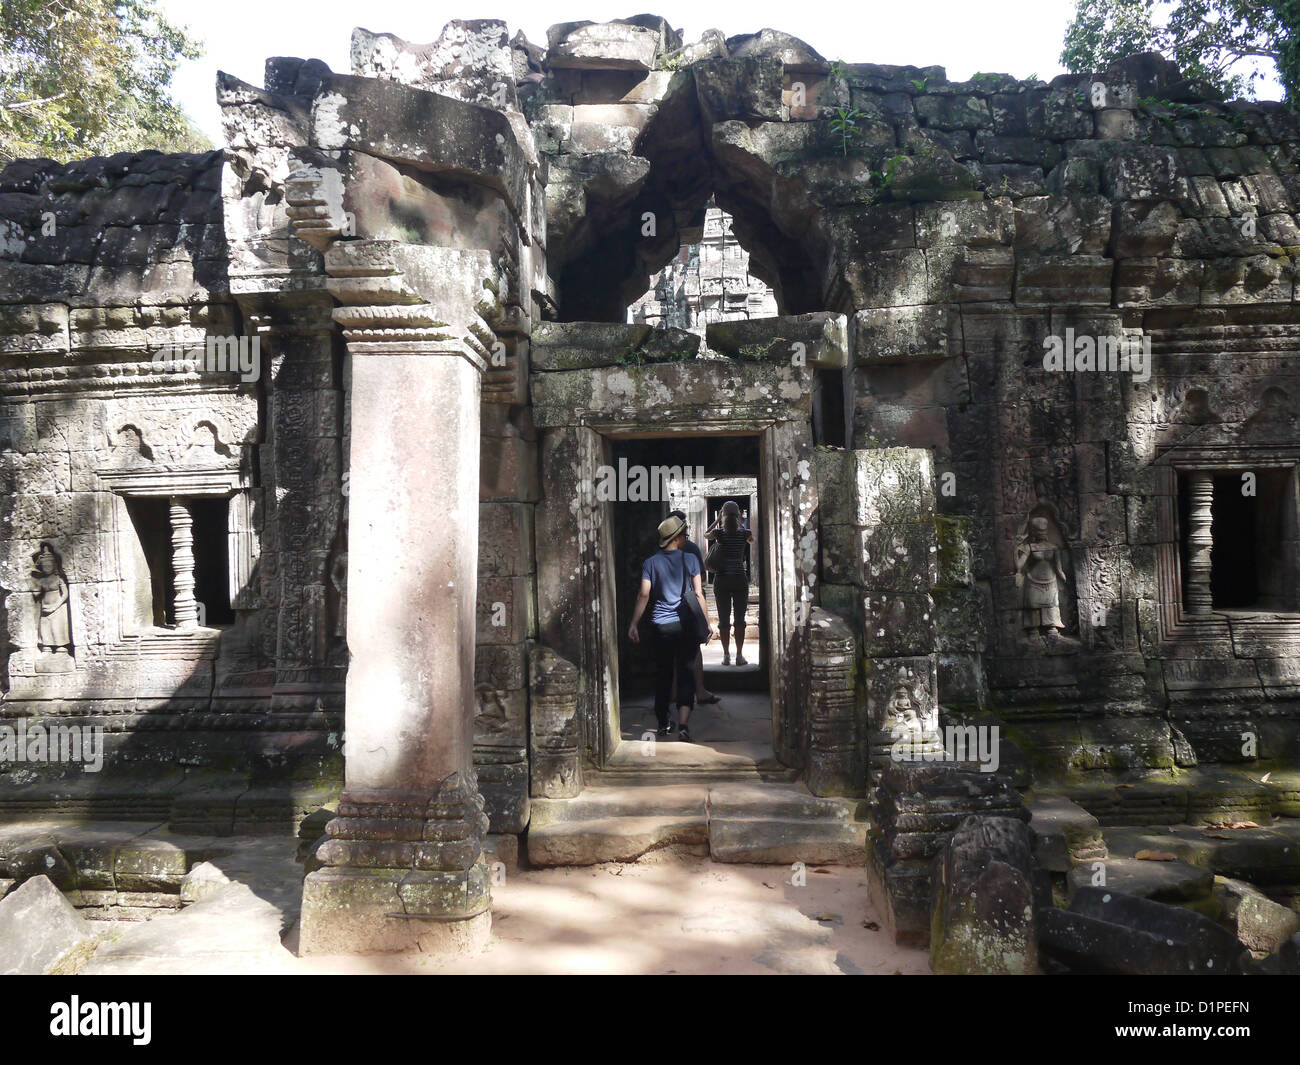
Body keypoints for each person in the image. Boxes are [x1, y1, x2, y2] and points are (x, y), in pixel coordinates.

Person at [628, 514, 713, 743]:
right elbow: (698, 593)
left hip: (661, 626)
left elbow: (644, 594)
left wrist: (634, 623)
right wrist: (706, 623)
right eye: (684, 534)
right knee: (685, 673)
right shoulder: (691, 560)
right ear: (676, 538)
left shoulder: (651, 563)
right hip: (686, 625)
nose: (686, 537)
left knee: (663, 674)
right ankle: (684, 725)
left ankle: (664, 722)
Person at [667, 508, 720, 707]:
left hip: (666, 604)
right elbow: (701, 585)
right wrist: (706, 620)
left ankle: (673, 691)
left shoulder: (660, 549)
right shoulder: (690, 549)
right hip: (689, 603)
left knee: (671, 649)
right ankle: (699, 690)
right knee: (694, 650)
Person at [705, 500, 753, 665]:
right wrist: (739, 520)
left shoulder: (719, 534)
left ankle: (726, 655)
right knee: (740, 620)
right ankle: (739, 656)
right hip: (740, 579)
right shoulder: (744, 533)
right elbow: (752, 540)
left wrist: (718, 520)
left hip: (722, 580)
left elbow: (706, 534)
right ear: (738, 514)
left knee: (723, 620)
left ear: (723, 515)